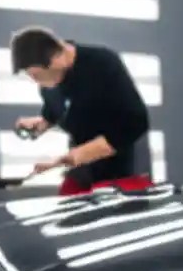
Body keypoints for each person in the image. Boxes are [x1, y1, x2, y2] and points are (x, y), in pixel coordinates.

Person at [10, 27, 153, 196]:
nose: (35, 81)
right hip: (83, 170)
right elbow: (57, 111)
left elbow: (136, 122)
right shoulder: (49, 85)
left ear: (58, 58)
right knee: (66, 207)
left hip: (122, 167)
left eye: (36, 75)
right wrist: (41, 124)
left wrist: (75, 156)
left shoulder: (102, 63)